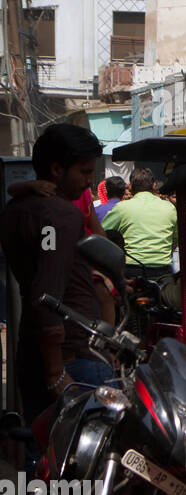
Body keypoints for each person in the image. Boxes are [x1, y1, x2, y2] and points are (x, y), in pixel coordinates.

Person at [0, 123, 112, 422]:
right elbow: (47, 291)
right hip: (70, 357)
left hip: (35, 350)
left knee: (45, 453)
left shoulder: (16, 210)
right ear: (57, 170)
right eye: (84, 172)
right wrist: (55, 371)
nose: (89, 182)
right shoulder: (61, 217)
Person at [102, 167, 177, 280]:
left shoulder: (122, 208)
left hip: (131, 271)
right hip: (163, 270)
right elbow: (175, 239)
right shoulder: (169, 208)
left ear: (130, 186)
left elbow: (102, 233)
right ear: (154, 185)